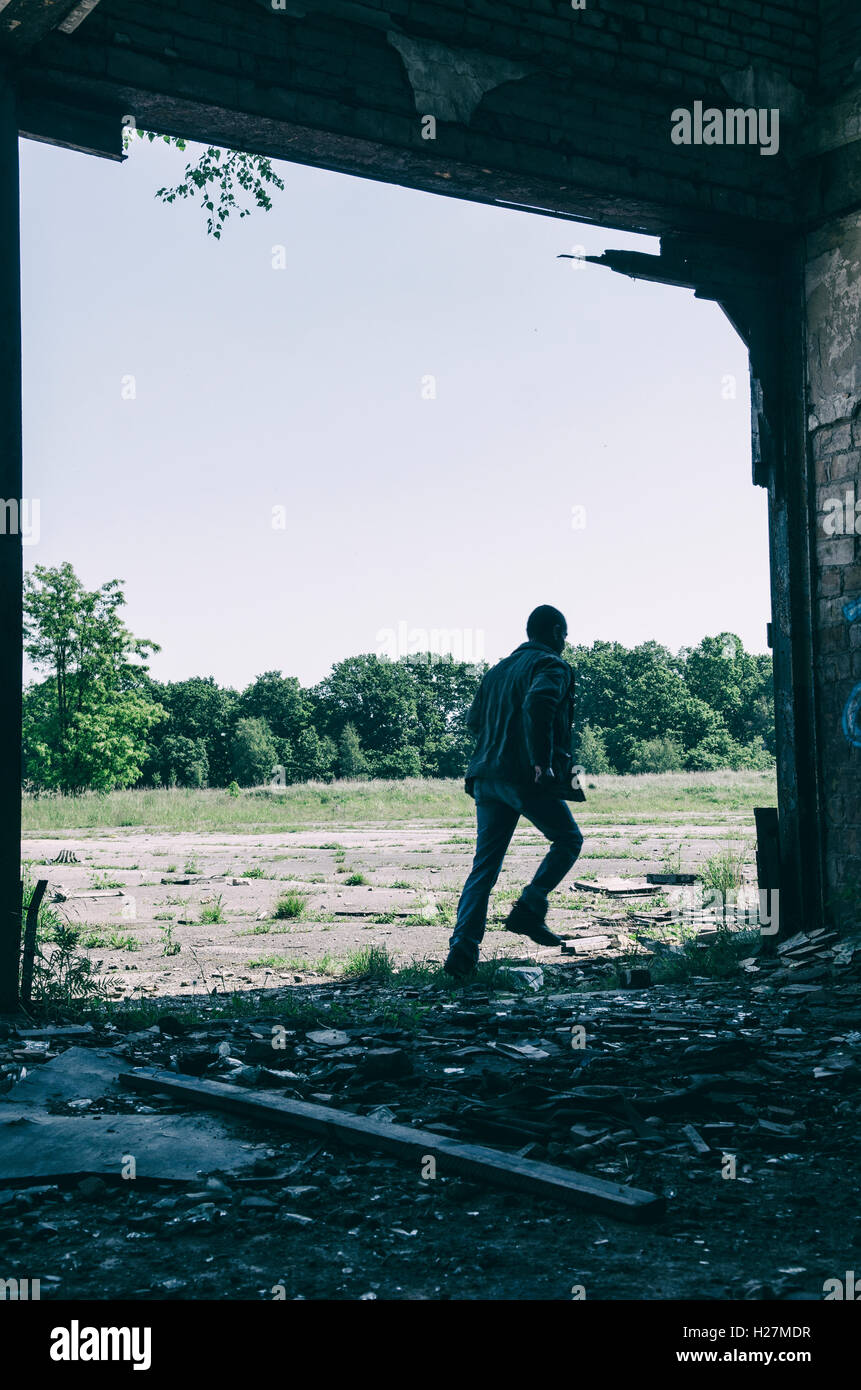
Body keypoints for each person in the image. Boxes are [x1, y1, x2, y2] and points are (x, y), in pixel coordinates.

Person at [444, 604, 584, 980]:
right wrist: (541, 761)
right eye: (565, 636)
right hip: (524, 777)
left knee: (483, 869)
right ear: (555, 632)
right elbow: (539, 703)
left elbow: (474, 721)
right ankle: (529, 907)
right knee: (568, 839)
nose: (566, 643)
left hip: (485, 778)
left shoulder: (497, 671)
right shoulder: (552, 665)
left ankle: (462, 953)